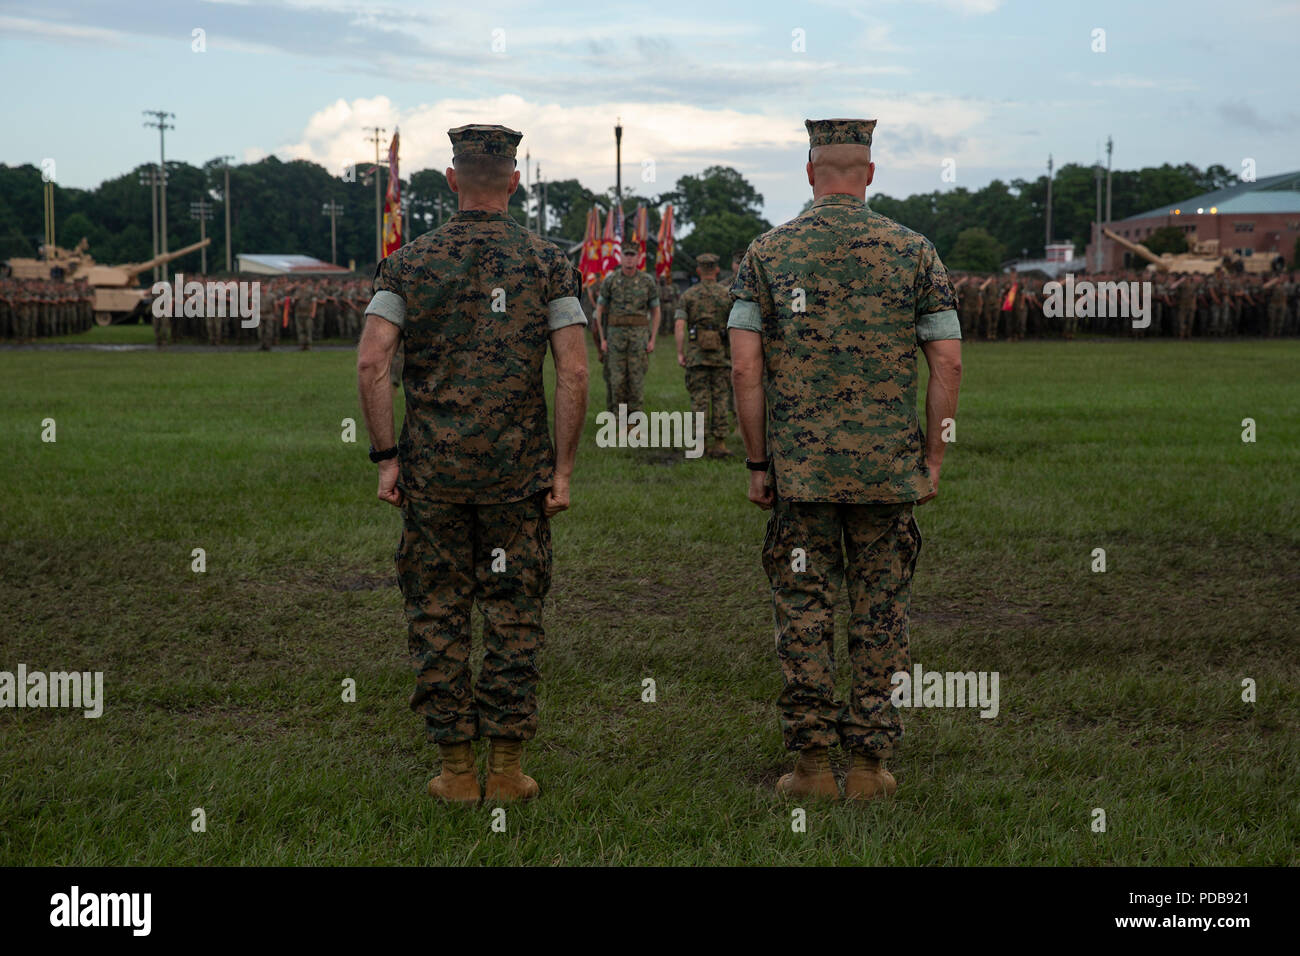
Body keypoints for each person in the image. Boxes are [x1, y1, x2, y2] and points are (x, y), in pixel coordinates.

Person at [728, 117, 963, 802]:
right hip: (888, 473)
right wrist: (935, 456)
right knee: (879, 613)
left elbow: (745, 370)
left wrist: (756, 463)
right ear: (869, 174)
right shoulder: (913, 250)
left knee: (804, 610)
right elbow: (947, 360)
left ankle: (808, 768)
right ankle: (867, 767)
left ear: (810, 173)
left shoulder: (767, 253)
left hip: (800, 476)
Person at [357, 123, 589, 805]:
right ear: (514, 181)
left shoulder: (409, 262)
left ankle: (458, 770)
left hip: (433, 473)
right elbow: (573, 373)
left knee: (438, 610)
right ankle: (509, 767)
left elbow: (373, 362)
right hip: (518, 478)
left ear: (451, 180)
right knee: (514, 610)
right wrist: (564, 470)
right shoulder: (548, 262)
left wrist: (386, 458)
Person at [674, 253, 732, 457]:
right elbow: (735, 326)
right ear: (716, 270)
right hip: (722, 356)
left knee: (699, 400)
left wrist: (681, 353)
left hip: (696, 356)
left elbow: (680, 325)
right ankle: (721, 443)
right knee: (721, 398)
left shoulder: (688, 295)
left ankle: (700, 443)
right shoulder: (727, 295)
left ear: (698, 271)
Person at [593, 241, 660, 414]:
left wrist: (652, 339)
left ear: (638, 258)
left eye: (632, 255)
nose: (629, 259)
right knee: (616, 381)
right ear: (621, 257)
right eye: (626, 255)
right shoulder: (611, 280)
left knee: (636, 381)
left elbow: (656, 311)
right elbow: (599, 311)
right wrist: (603, 339)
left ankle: (635, 423)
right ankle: (620, 422)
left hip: (639, 339)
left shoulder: (647, 281)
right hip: (615, 339)